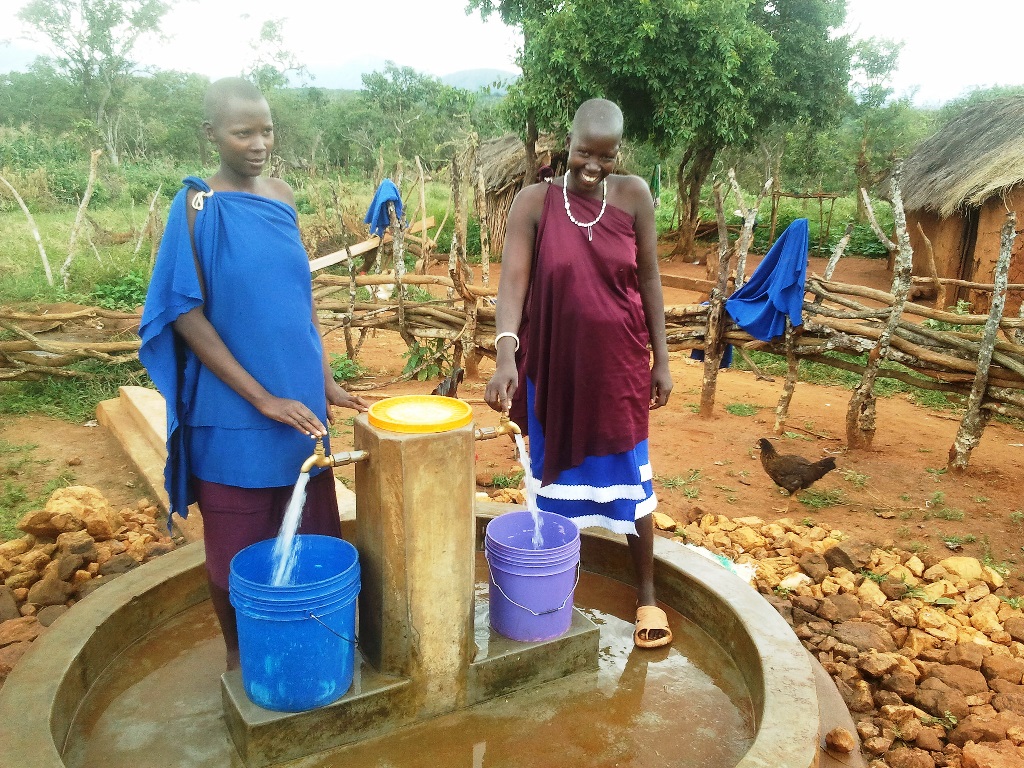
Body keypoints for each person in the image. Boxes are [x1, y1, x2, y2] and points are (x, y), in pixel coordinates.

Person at [139, 77, 367, 670]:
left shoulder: (283, 196)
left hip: (299, 407)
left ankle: (308, 655)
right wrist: (262, 398)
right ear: (211, 134)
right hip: (233, 409)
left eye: (266, 130)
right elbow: (184, 313)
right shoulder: (196, 206)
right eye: (243, 132)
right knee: (234, 556)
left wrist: (325, 382)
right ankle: (242, 661)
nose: (258, 143)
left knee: (314, 541)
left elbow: (300, 300)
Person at [485, 99, 674, 648]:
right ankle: (551, 591)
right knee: (550, 485)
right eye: (583, 153)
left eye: (606, 155)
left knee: (633, 486)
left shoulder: (634, 196)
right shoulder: (535, 202)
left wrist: (661, 358)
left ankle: (646, 596)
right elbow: (513, 283)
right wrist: (504, 357)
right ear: (566, 146)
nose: (592, 166)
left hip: (618, 369)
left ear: (619, 152)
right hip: (552, 369)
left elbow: (651, 279)